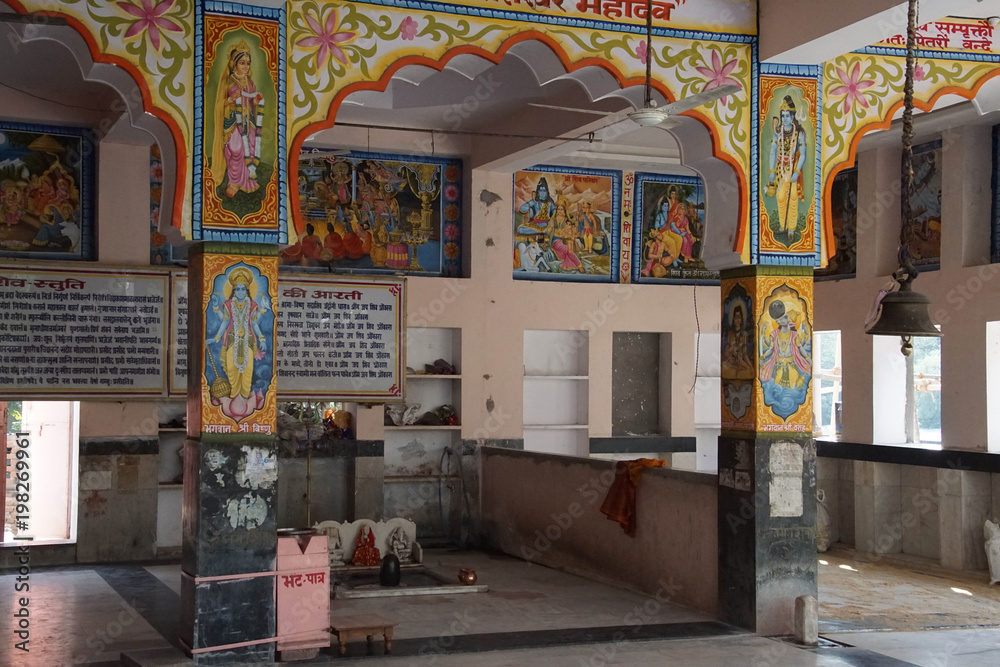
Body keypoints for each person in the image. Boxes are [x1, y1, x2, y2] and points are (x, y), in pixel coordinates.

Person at [206, 266, 268, 423]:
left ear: (247, 290)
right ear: (233, 290)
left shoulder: (252, 305)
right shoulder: (228, 304)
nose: (240, 292)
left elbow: (254, 324)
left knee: (247, 373)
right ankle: (234, 402)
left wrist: (261, 338)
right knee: (232, 372)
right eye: (237, 289)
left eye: (243, 289)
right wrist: (217, 338)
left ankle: (245, 403)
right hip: (232, 341)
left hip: (247, 342)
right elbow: (225, 321)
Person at [212, 40, 264, 198]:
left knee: (251, 150)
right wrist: (230, 100)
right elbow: (220, 104)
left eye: (248, 63)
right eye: (242, 63)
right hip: (234, 122)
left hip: (248, 121)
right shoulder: (229, 83)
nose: (246, 66)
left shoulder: (250, 83)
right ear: (234, 64)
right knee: (235, 149)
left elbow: (252, 101)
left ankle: (246, 181)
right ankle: (233, 181)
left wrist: (255, 102)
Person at [767, 95, 808, 243]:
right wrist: (771, 171)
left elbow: (803, 154)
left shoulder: (800, 132)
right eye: (782, 115)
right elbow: (772, 151)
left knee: (793, 198)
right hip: (780, 168)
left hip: (793, 167)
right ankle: (783, 225)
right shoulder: (778, 131)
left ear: (792, 116)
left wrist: (796, 172)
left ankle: (791, 230)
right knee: (780, 197)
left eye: (787, 115)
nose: (784, 118)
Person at [722, 303, 754, 379]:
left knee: (749, 371)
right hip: (730, 362)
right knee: (724, 369)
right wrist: (731, 351)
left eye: (739, 318)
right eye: (736, 318)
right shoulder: (730, 333)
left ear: (742, 319)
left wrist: (750, 366)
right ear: (733, 319)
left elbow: (745, 354)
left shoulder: (744, 334)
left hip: (740, 362)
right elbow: (726, 353)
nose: (737, 320)